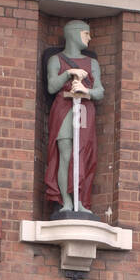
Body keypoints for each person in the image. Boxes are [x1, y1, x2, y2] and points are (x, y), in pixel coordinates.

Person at [44, 20, 104, 214]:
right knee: (65, 155)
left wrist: (86, 89)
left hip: (84, 110)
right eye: (86, 34)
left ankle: (80, 201)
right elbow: (52, 86)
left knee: (83, 155)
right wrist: (69, 73)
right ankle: (66, 201)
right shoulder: (56, 60)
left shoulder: (92, 63)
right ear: (74, 34)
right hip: (64, 110)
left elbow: (100, 91)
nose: (90, 38)